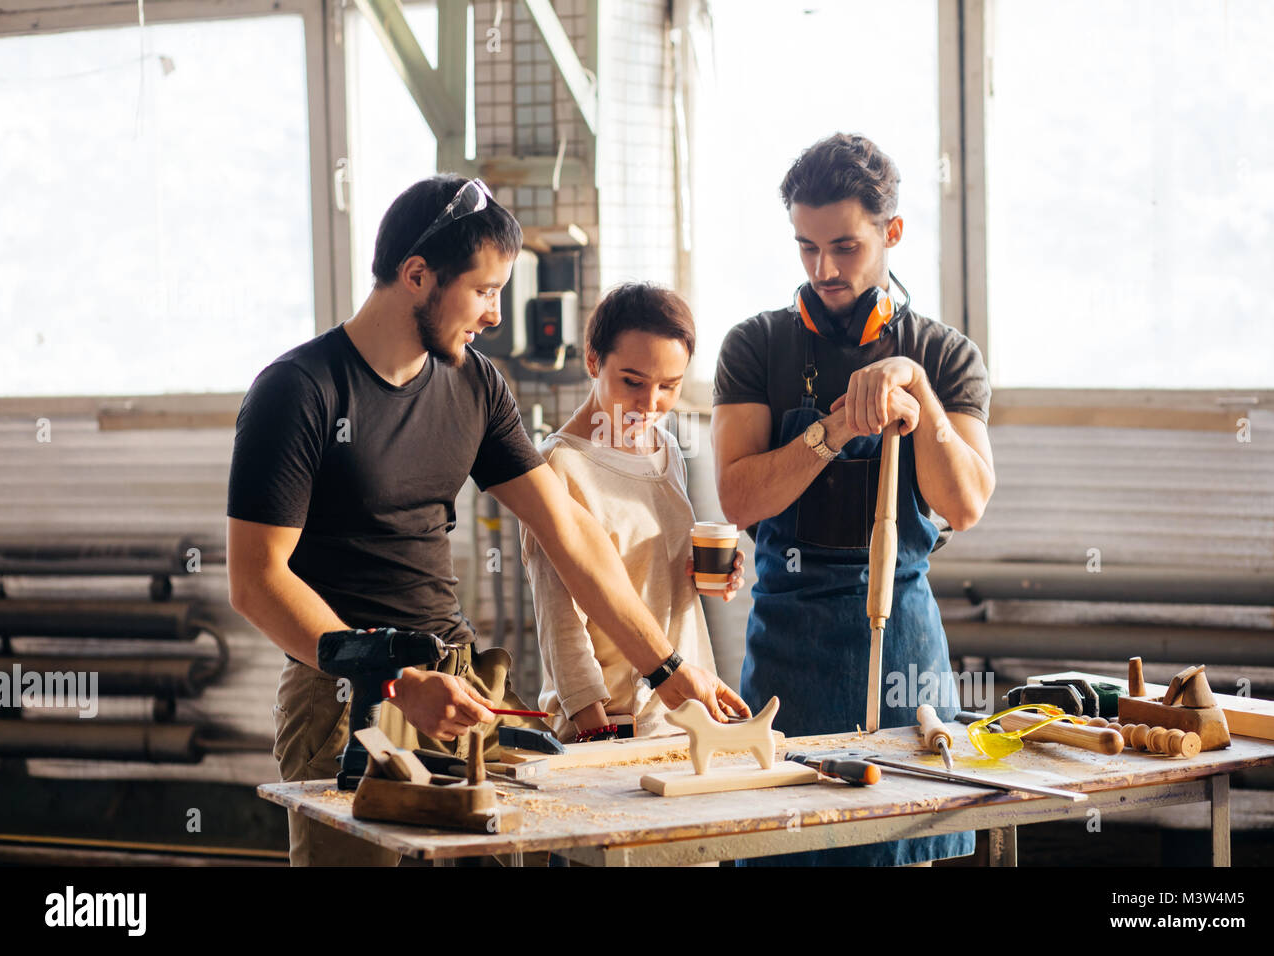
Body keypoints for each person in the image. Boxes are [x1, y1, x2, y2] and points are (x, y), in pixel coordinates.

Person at [227, 175, 748, 866]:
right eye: (484, 291)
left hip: (462, 687)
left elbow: (568, 531)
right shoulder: (300, 391)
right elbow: (256, 582)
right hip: (345, 701)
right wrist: (393, 678)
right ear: (417, 276)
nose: (496, 315)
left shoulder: (474, 383)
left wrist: (669, 669)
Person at [711, 133, 995, 866]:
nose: (824, 269)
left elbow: (963, 504)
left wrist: (918, 392)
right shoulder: (756, 347)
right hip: (786, 646)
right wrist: (834, 429)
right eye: (806, 248)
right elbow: (740, 499)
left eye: (845, 246)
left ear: (891, 232)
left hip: (903, 644)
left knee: (905, 841)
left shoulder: (945, 355)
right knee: (784, 843)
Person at [519, 283, 745, 743]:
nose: (650, 404)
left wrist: (712, 574)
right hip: (612, 724)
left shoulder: (664, 449)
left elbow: (657, 571)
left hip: (680, 712)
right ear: (592, 361)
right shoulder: (558, 465)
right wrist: (593, 725)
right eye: (633, 382)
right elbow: (560, 616)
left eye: (669, 386)